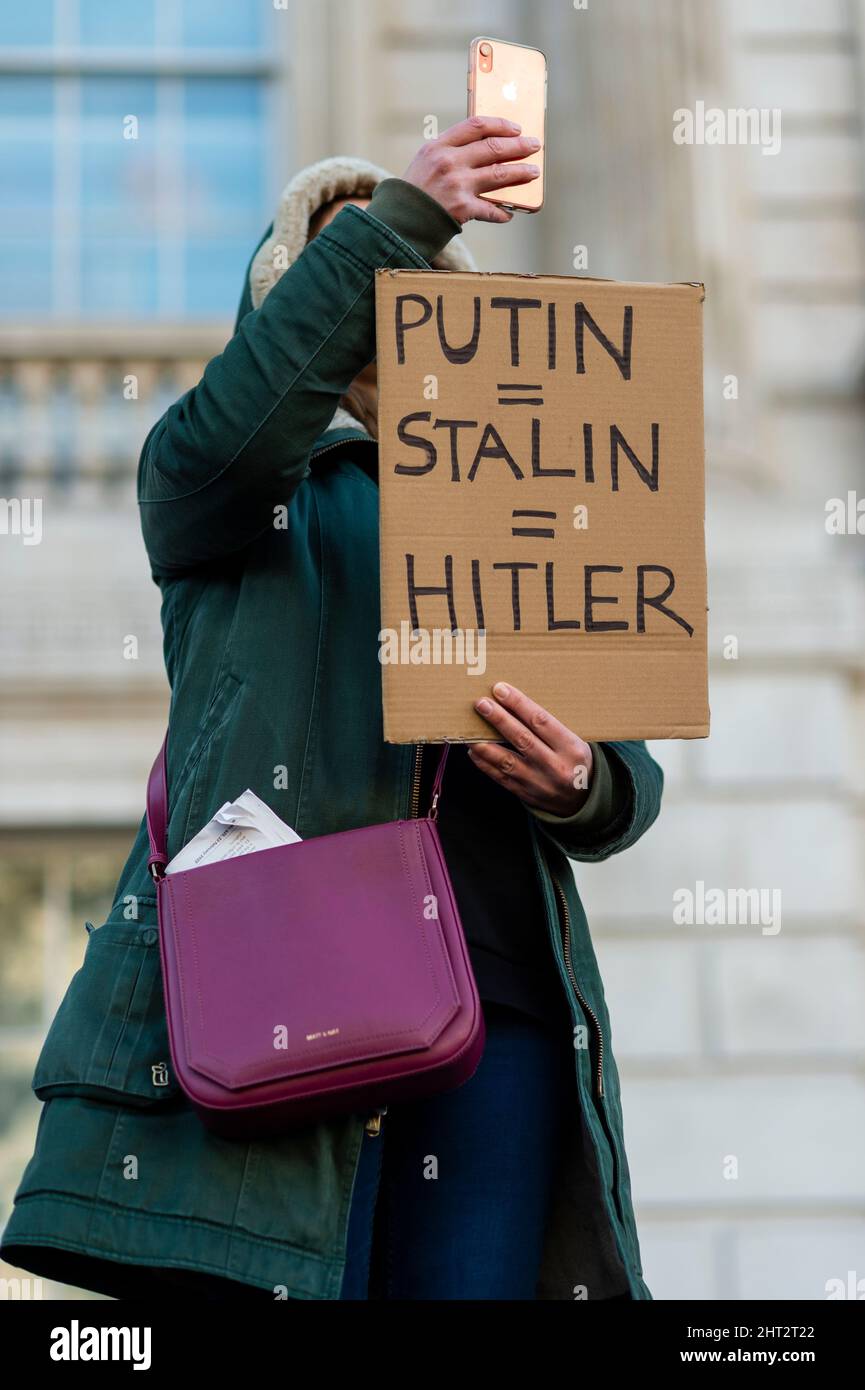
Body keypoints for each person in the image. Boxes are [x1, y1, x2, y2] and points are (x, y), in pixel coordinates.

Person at [1, 118, 663, 1301]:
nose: (387, 314)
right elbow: (237, 432)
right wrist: (400, 216)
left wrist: (583, 780)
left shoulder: (521, 496)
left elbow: (625, 769)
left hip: (500, 1007)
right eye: (353, 275)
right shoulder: (229, 489)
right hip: (293, 982)